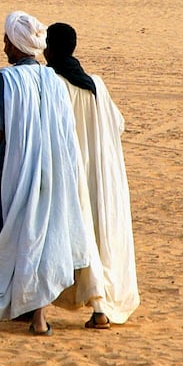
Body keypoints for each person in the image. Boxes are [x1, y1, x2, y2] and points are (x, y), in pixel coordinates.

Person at [0, 12, 94, 336]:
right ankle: (36, 318)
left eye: (6, 40)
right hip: (51, 176)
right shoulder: (53, 81)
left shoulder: (8, 79)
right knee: (38, 243)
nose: (3, 45)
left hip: (10, 177)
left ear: (16, 45)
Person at [43, 22, 138, 329]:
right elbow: (118, 124)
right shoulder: (96, 84)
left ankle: (44, 306)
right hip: (98, 177)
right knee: (95, 236)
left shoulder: (53, 83)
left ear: (52, 49)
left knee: (58, 237)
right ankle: (98, 308)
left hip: (69, 175)